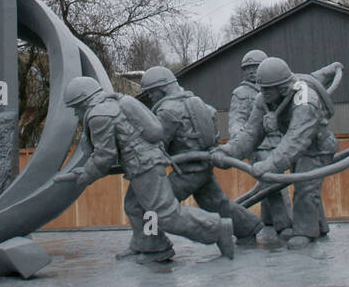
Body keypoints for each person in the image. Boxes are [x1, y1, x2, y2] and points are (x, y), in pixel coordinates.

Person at [54, 76, 235, 260]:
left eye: (76, 107)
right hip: (144, 163)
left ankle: (218, 228)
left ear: (84, 100)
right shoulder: (114, 103)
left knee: (165, 214)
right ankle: (152, 245)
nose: (76, 113)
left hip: (144, 166)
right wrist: (88, 170)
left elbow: (104, 156)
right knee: (135, 206)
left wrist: (87, 175)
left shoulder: (99, 115)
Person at [215, 56, 337, 247]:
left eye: (266, 89)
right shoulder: (263, 100)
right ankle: (319, 226)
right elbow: (251, 133)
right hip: (298, 147)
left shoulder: (305, 100)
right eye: (261, 88)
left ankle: (305, 231)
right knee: (304, 180)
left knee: (305, 183)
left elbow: (294, 141)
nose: (262, 92)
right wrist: (229, 152)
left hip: (317, 147)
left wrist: (269, 165)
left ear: (282, 87)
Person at [141, 67, 262, 242]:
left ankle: (152, 244)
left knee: (153, 203)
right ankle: (248, 227)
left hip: (188, 172)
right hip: (203, 166)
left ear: (162, 89)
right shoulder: (197, 103)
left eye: (151, 92)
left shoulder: (167, 111)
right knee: (216, 202)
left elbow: (158, 144)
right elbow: (213, 126)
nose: (150, 97)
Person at [227, 49, 291, 232]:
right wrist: (238, 136)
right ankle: (285, 226)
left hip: (279, 143)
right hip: (259, 146)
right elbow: (236, 118)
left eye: (255, 67)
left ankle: (268, 221)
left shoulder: (275, 89)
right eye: (247, 68)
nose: (251, 71)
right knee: (275, 184)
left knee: (268, 186)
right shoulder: (242, 93)